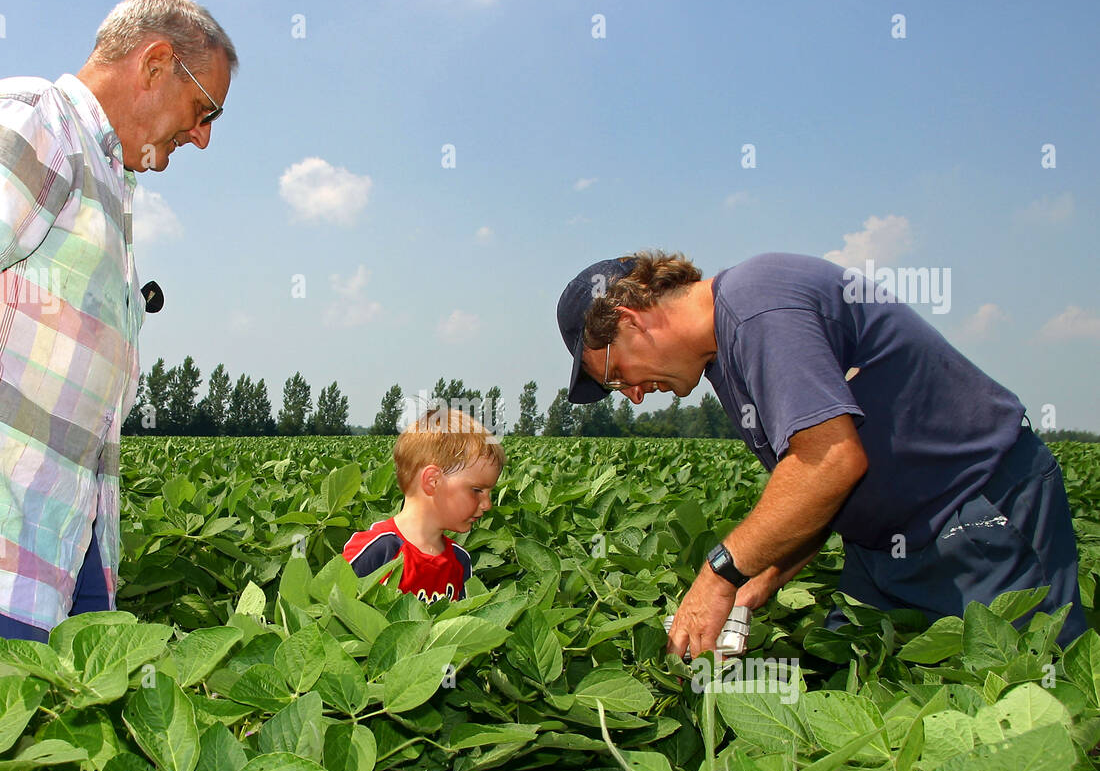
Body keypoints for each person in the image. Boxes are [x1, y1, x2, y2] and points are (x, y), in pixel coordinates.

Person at [0, 0, 237, 670]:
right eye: (204, 111)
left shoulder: (105, 181)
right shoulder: (38, 121)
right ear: (155, 63)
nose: (203, 137)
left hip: (53, 550)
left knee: (37, 768)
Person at [556, 250, 1088, 657]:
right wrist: (754, 584)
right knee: (861, 698)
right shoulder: (722, 355)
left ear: (631, 320)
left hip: (978, 515)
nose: (629, 393)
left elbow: (830, 462)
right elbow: (817, 490)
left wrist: (718, 576)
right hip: (884, 552)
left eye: (612, 373)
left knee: (1029, 710)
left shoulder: (758, 307)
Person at [343, 407, 504, 602]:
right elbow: (331, 618)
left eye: (489, 493)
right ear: (432, 481)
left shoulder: (460, 561)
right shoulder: (378, 550)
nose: (487, 505)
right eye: (477, 490)